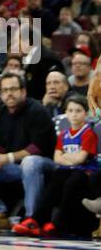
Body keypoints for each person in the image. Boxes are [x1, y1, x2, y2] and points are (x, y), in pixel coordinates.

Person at [0, 72, 56, 233]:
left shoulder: (37, 110)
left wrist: (8, 157)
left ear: (23, 91)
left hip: (45, 165)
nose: (9, 93)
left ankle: (32, 219)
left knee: (30, 162)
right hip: (15, 167)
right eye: (5, 90)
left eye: (13, 89)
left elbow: (38, 147)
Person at [15, 94, 99, 237]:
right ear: (65, 113)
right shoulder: (63, 135)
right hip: (68, 169)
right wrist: (70, 159)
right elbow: (57, 158)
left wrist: (67, 157)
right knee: (56, 180)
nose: (74, 115)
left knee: (72, 182)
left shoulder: (88, 133)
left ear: (86, 113)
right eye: (70, 111)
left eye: (78, 111)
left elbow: (81, 158)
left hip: (86, 171)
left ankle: (58, 223)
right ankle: (35, 220)